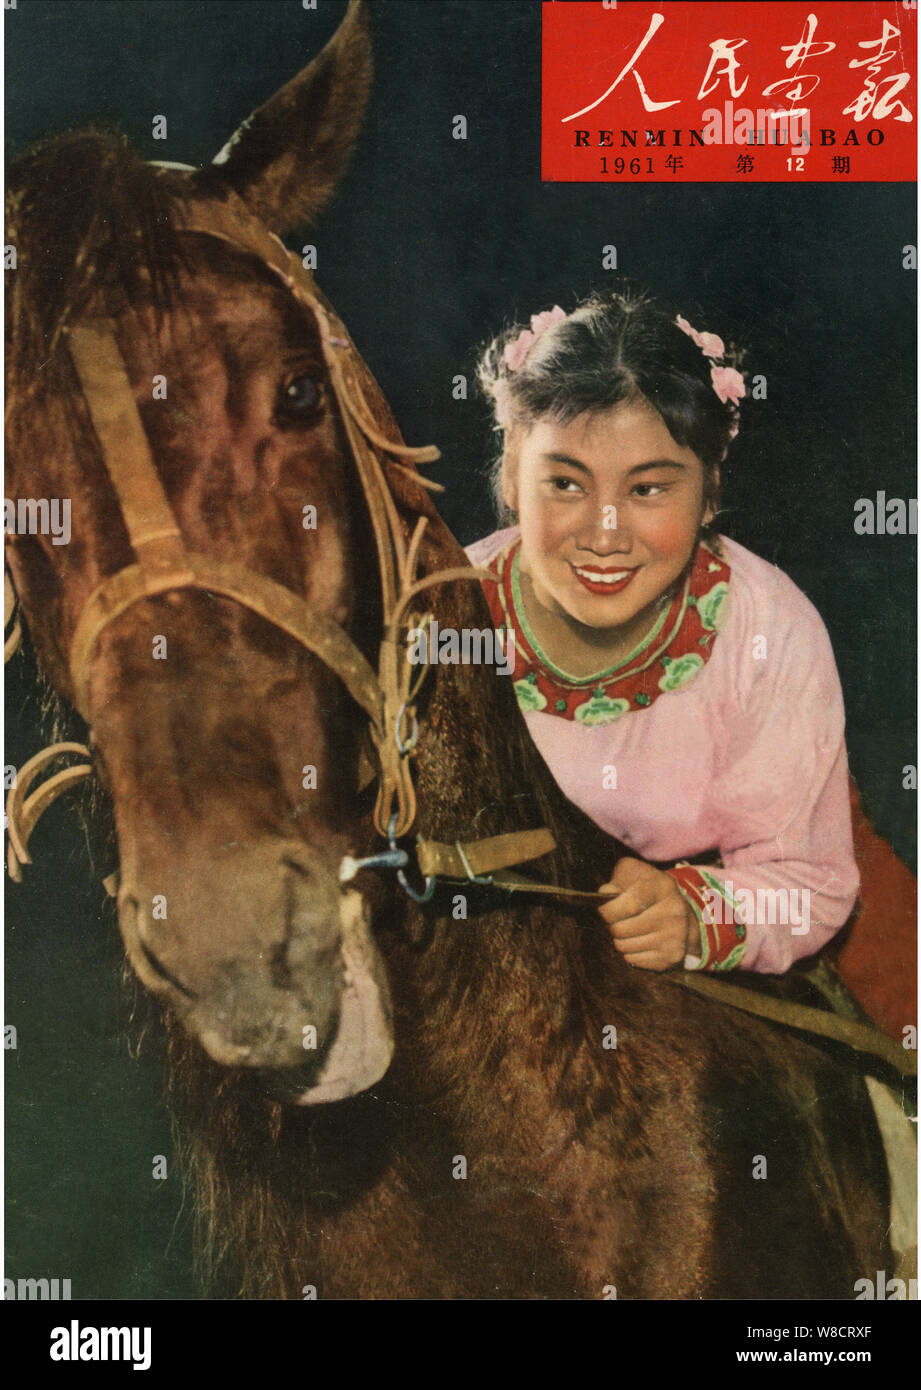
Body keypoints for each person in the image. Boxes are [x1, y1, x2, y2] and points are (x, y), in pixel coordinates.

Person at [467, 289, 860, 976]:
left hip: (681, 987)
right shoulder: (441, 615)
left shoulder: (767, 634)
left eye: (648, 490)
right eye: (565, 484)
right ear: (509, 475)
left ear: (709, 493)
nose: (604, 535)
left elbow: (808, 887)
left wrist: (691, 914)